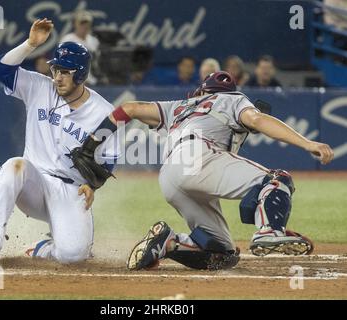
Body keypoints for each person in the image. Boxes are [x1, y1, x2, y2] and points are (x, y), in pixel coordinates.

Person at [81, 71, 334, 271]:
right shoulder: (233, 99)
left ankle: (168, 242)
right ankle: (269, 230)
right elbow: (256, 120)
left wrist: (93, 142)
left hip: (169, 177)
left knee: (222, 253)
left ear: (203, 90)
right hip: (200, 158)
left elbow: (128, 109)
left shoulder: (179, 106)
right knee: (277, 179)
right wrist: (307, 143)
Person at [0, 18, 119, 267]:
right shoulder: (39, 87)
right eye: (55, 70)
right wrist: (30, 44)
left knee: (73, 256)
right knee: (14, 166)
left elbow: (111, 158)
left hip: (71, 191)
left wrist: (94, 186)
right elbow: (1, 70)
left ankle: (45, 248)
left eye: (65, 72)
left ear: (80, 74)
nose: (58, 77)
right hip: (34, 184)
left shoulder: (102, 111)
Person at [61, 10, 100, 85]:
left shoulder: (94, 41)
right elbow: (62, 64)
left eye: (86, 23)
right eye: (81, 23)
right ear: (75, 24)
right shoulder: (68, 40)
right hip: (74, 82)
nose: (84, 26)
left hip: (93, 81)